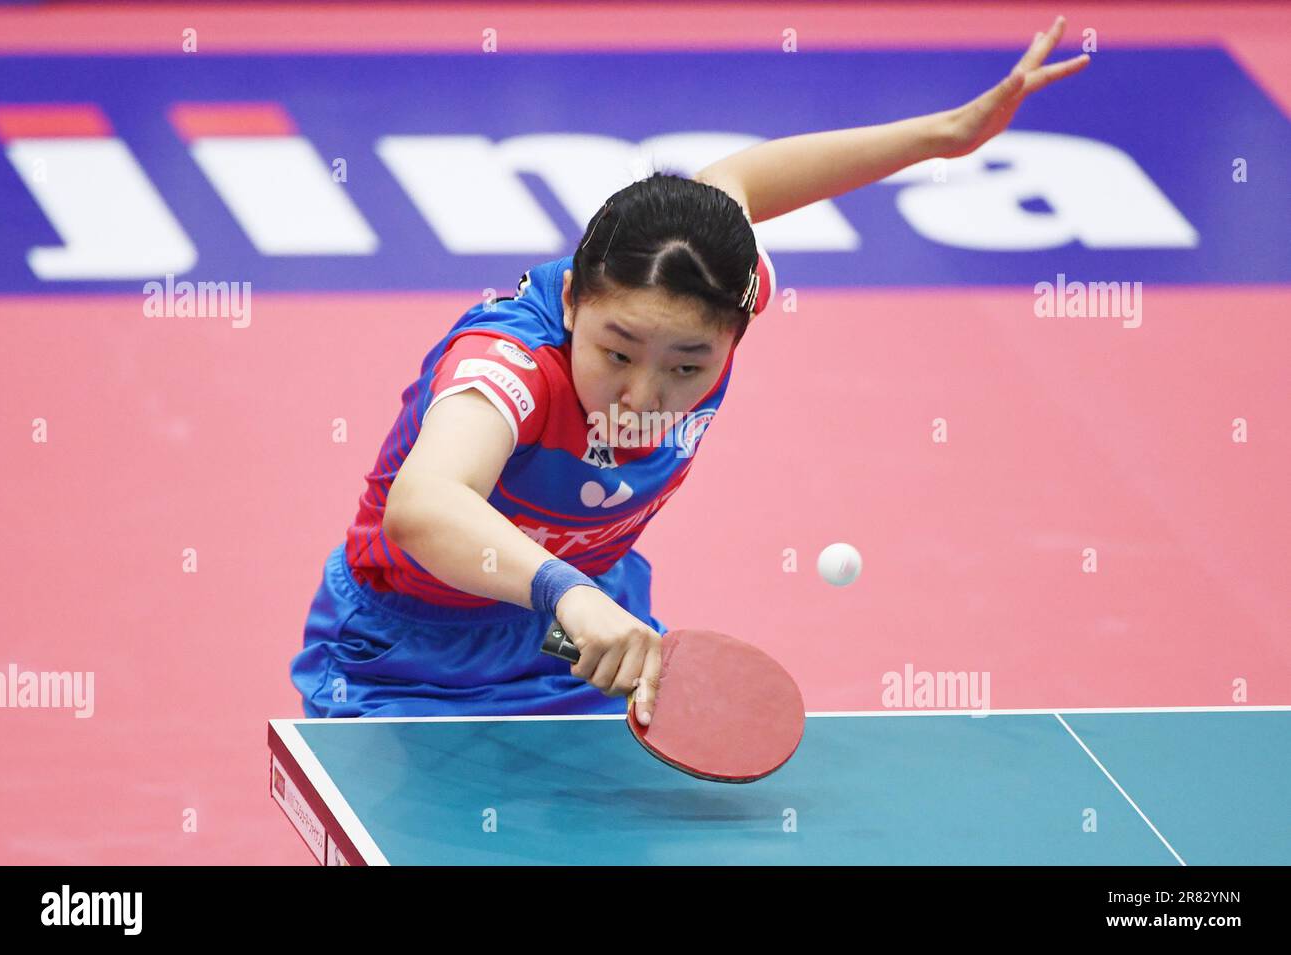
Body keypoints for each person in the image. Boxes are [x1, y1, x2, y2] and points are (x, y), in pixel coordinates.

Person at [290, 16, 1089, 721]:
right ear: (572, 299)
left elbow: (732, 187)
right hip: (407, 654)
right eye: (616, 352)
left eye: (688, 365)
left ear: (735, 334)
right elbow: (423, 505)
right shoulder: (507, 365)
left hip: (590, 638)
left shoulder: (714, 287)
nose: (643, 391)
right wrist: (564, 589)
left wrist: (947, 135)